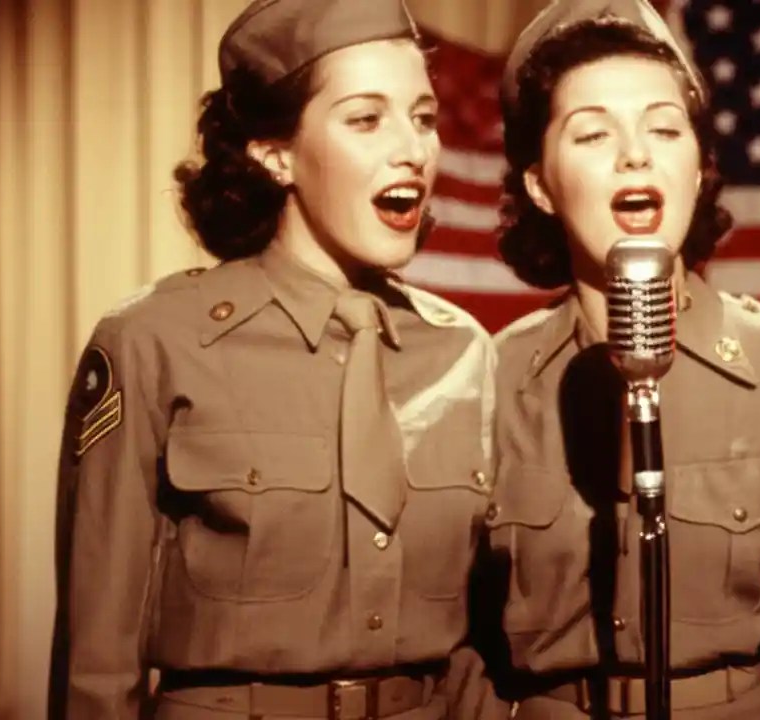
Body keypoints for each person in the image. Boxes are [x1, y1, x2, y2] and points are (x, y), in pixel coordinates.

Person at [47, 1, 495, 717]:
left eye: (423, 117)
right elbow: (98, 661)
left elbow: (485, 641)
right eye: (365, 119)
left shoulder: (465, 353)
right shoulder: (156, 341)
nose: (412, 148)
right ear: (274, 151)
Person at [465, 1, 760, 718]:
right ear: (540, 184)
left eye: (664, 130)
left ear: (699, 170)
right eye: (593, 133)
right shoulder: (489, 378)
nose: (635, 154)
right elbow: (457, 635)